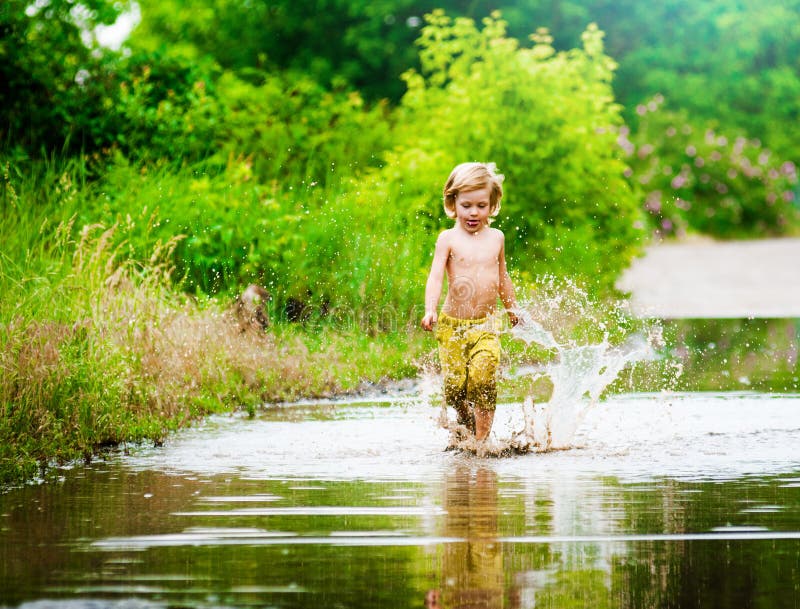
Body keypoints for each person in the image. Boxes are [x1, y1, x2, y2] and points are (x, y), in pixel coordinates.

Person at [421, 162, 518, 442]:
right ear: (453, 203)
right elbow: (436, 276)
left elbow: (502, 277)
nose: (474, 213)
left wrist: (512, 308)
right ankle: (467, 429)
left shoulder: (497, 238)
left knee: (483, 377)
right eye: (466, 205)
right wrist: (430, 310)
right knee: (455, 389)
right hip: (452, 326)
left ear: (492, 204)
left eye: (481, 205)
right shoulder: (448, 239)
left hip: (487, 325)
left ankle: (482, 444)